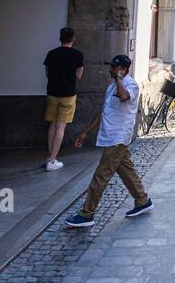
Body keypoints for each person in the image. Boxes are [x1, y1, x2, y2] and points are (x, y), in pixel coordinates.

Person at [65, 55, 152, 228]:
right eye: (111, 67)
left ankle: (87, 214)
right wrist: (86, 132)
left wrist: (119, 79)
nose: (110, 70)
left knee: (101, 175)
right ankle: (142, 201)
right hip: (110, 136)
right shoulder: (111, 87)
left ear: (123, 70)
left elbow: (124, 97)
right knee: (127, 171)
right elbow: (103, 112)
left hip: (118, 138)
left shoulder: (131, 85)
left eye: (114, 67)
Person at [42, 27, 84, 171]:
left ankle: (50, 156)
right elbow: (79, 76)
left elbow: (47, 74)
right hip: (68, 94)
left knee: (52, 125)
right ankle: (52, 161)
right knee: (61, 126)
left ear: (60, 38)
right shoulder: (77, 55)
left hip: (52, 92)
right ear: (73, 38)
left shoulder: (51, 54)